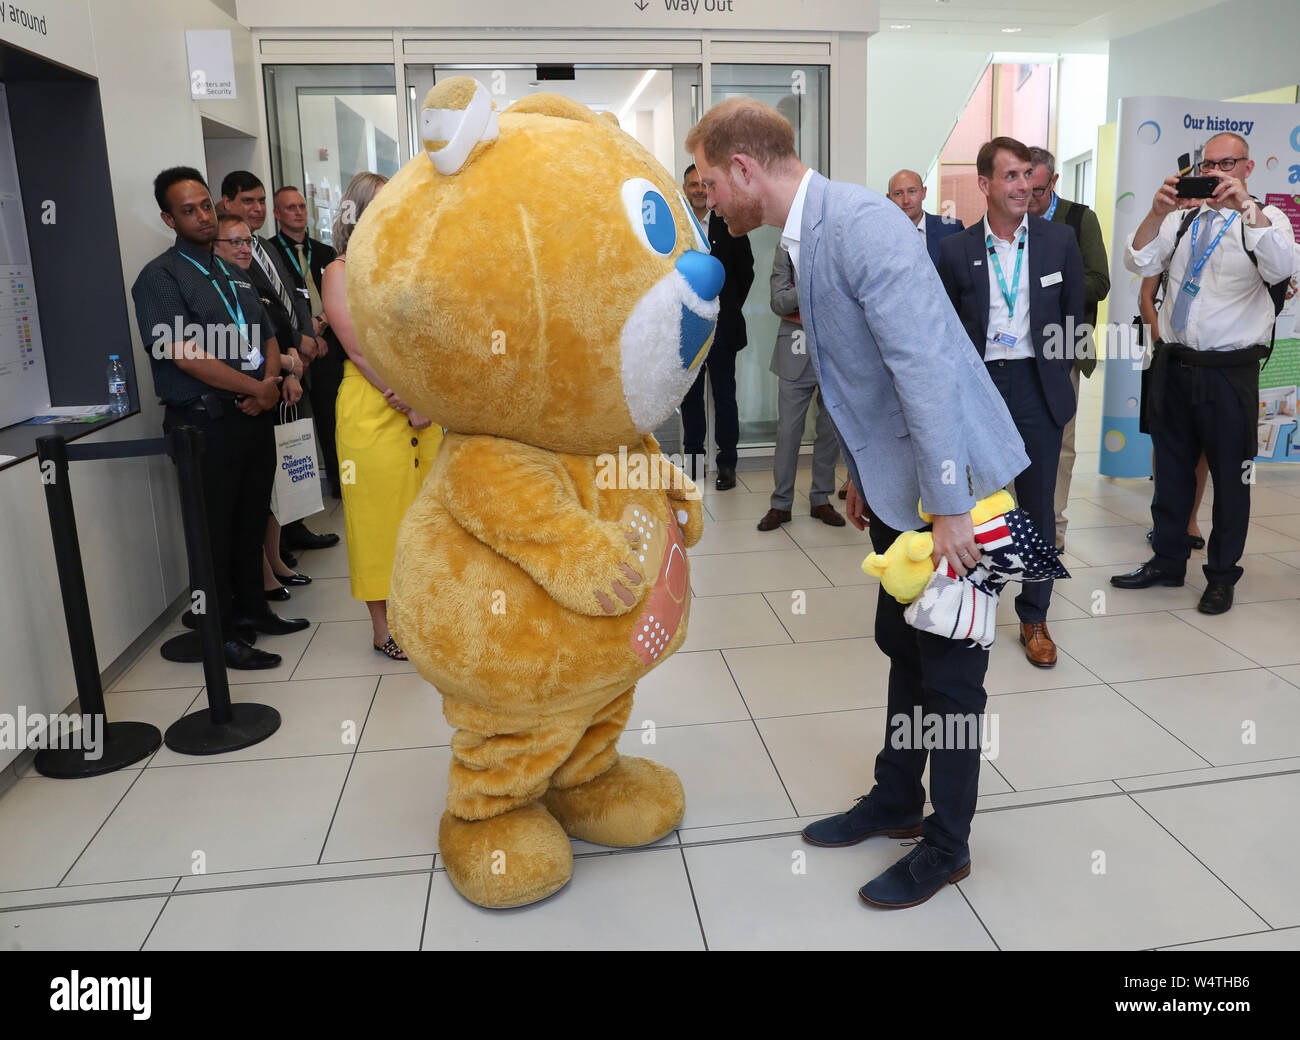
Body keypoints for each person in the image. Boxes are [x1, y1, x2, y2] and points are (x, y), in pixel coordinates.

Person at [687, 100, 1027, 909]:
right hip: (902, 483)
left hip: (957, 487)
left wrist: (946, 506)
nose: (707, 200)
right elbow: (861, 370)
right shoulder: (808, 233)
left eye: (705, 182)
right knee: (903, 643)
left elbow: (925, 370)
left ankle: (948, 847)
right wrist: (867, 476)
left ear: (741, 168)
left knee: (950, 675)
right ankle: (898, 799)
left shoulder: (864, 225)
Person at [1111, 132, 1296, 614]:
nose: (1215, 173)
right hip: (1175, 364)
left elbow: (1281, 267)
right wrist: (1155, 212)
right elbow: (1138, 259)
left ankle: (1221, 575)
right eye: (1207, 164)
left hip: (1229, 372)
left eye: (1226, 164)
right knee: (1171, 472)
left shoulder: (1268, 219)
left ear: (1247, 169)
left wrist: (1244, 211)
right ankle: (1168, 561)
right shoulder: (1183, 217)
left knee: (1233, 481)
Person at [130, 168, 302, 671]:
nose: (202, 215)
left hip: (252, 417)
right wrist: (257, 388)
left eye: (206, 205)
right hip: (204, 425)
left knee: (250, 520)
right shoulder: (159, 278)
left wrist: (266, 387)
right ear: (169, 218)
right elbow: (184, 354)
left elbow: (267, 335)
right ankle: (222, 633)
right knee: (214, 533)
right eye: (189, 209)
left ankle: (254, 610)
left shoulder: (231, 269)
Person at [936, 136, 1084, 669]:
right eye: (1012, 177)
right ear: (985, 185)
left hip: (1038, 387)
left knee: (1039, 506)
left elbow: (1073, 316)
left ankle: (1035, 617)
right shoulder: (954, 249)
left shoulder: (1059, 240)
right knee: (979, 506)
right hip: (980, 390)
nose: (1024, 186)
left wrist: (1061, 380)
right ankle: (975, 607)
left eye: (1028, 175)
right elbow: (946, 330)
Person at [322, 172, 443, 660]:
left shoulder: (406, 263)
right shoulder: (339, 270)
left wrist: (427, 399)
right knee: (378, 518)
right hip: (373, 406)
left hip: (423, 406)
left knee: (429, 517)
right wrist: (406, 399)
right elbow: (358, 347)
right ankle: (384, 627)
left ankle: (426, 616)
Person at [221, 170, 339, 554]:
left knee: (295, 447)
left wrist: (309, 335)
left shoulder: (264, 248)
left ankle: (294, 526)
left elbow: (292, 298)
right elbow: (261, 316)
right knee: (278, 456)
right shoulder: (237, 257)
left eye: (260, 201)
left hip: (297, 357)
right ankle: (278, 543)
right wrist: (292, 351)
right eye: (248, 201)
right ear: (228, 204)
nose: (256, 209)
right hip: (273, 368)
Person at [211, 214, 316, 599]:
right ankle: (261, 579)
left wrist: (287, 373)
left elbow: (277, 334)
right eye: (234, 242)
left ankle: (273, 560)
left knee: (271, 490)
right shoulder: (218, 288)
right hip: (243, 403)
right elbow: (235, 351)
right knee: (250, 498)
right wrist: (282, 370)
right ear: (214, 246)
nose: (243, 249)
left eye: (247, 242)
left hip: (271, 392)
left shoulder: (250, 281)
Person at [1026, 147, 1112, 550]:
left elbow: (1099, 281)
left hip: (1065, 342)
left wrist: (1051, 283)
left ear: (1054, 182)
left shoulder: (1079, 219)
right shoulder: (1010, 218)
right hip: (1016, 347)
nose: (1029, 198)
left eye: (1039, 190)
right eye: (1023, 187)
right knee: (1014, 437)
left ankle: (1054, 528)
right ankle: (1015, 523)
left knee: (1061, 439)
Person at [757, 243, 844, 531]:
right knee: (788, 432)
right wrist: (810, 284)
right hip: (794, 346)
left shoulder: (837, 243)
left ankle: (821, 498)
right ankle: (780, 504)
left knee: (830, 431)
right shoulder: (786, 248)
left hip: (834, 344)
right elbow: (778, 302)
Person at [680, 162, 754, 491]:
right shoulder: (678, 227)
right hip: (686, 329)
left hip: (723, 328)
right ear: (685, 190)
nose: (698, 190)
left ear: (711, 190)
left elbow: (746, 271)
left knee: (725, 397)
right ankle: (693, 463)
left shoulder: (728, 224)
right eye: (692, 185)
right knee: (690, 398)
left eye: (703, 185)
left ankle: (727, 464)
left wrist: (729, 306)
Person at [267, 186, 343, 500]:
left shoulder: (326, 253)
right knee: (294, 423)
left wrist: (322, 327)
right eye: (290, 207)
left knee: (332, 418)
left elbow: (340, 296)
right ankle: (300, 501)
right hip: (290, 351)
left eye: (301, 206)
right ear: (277, 214)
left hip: (328, 344)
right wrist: (301, 340)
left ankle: (341, 485)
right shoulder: (269, 252)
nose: (298, 212)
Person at [1138, 273, 1207, 550]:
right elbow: (1146, 296)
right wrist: (1162, 345)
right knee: (1165, 438)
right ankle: (1165, 521)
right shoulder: (1169, 232)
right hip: (1164, 352)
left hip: (1209, 354)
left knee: (1202, 439)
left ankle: (1191, 519)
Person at [887, 168, 963, 266]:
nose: (906, 200)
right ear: (889, 199)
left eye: (912, 191)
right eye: (898, 193)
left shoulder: (951, 229)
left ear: (923, 193)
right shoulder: (879, 236)